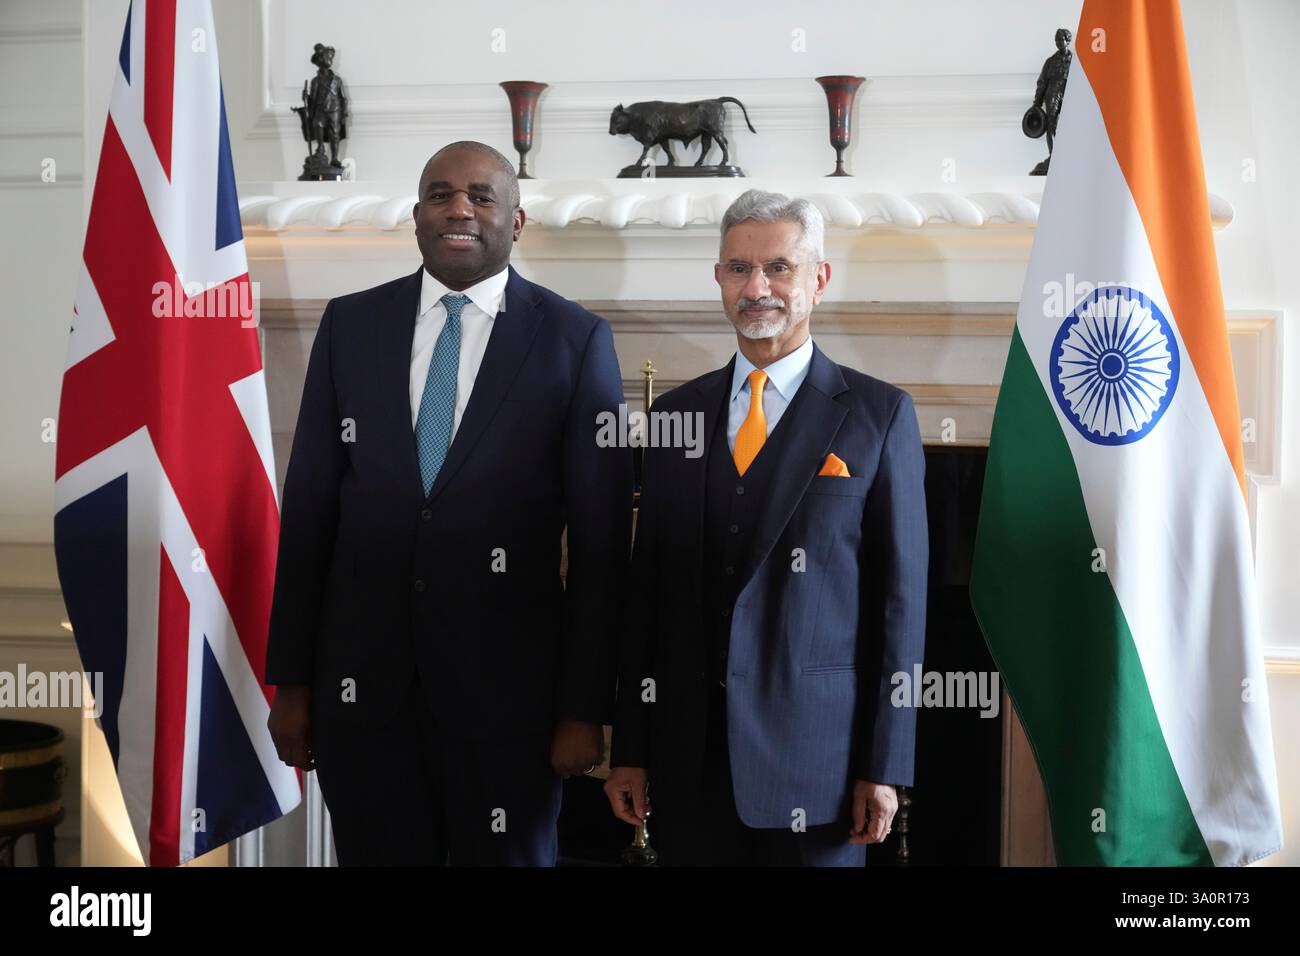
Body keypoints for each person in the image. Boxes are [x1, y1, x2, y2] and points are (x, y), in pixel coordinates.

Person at [266, 140, 632, 865]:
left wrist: (583, 709)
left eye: (481, 195)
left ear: (517, 222)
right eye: (440, 194)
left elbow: (600, 545)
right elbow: (310, 511)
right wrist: (295, 683)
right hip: (363, 703)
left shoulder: (575, 340)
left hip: (512, 714)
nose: (459, 208)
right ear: (417, 216)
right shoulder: (349, 326)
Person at [605, 189, 928, 866]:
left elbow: (902, 609)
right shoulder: (675, 415)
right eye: (738, 269)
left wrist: (886, 764)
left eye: (779, 267)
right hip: (689, 771)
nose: (758, 288)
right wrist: (630, 749)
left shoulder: (879, 415)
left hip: (824, 775)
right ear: (719, 279)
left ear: (818, 278)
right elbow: (643, 601)